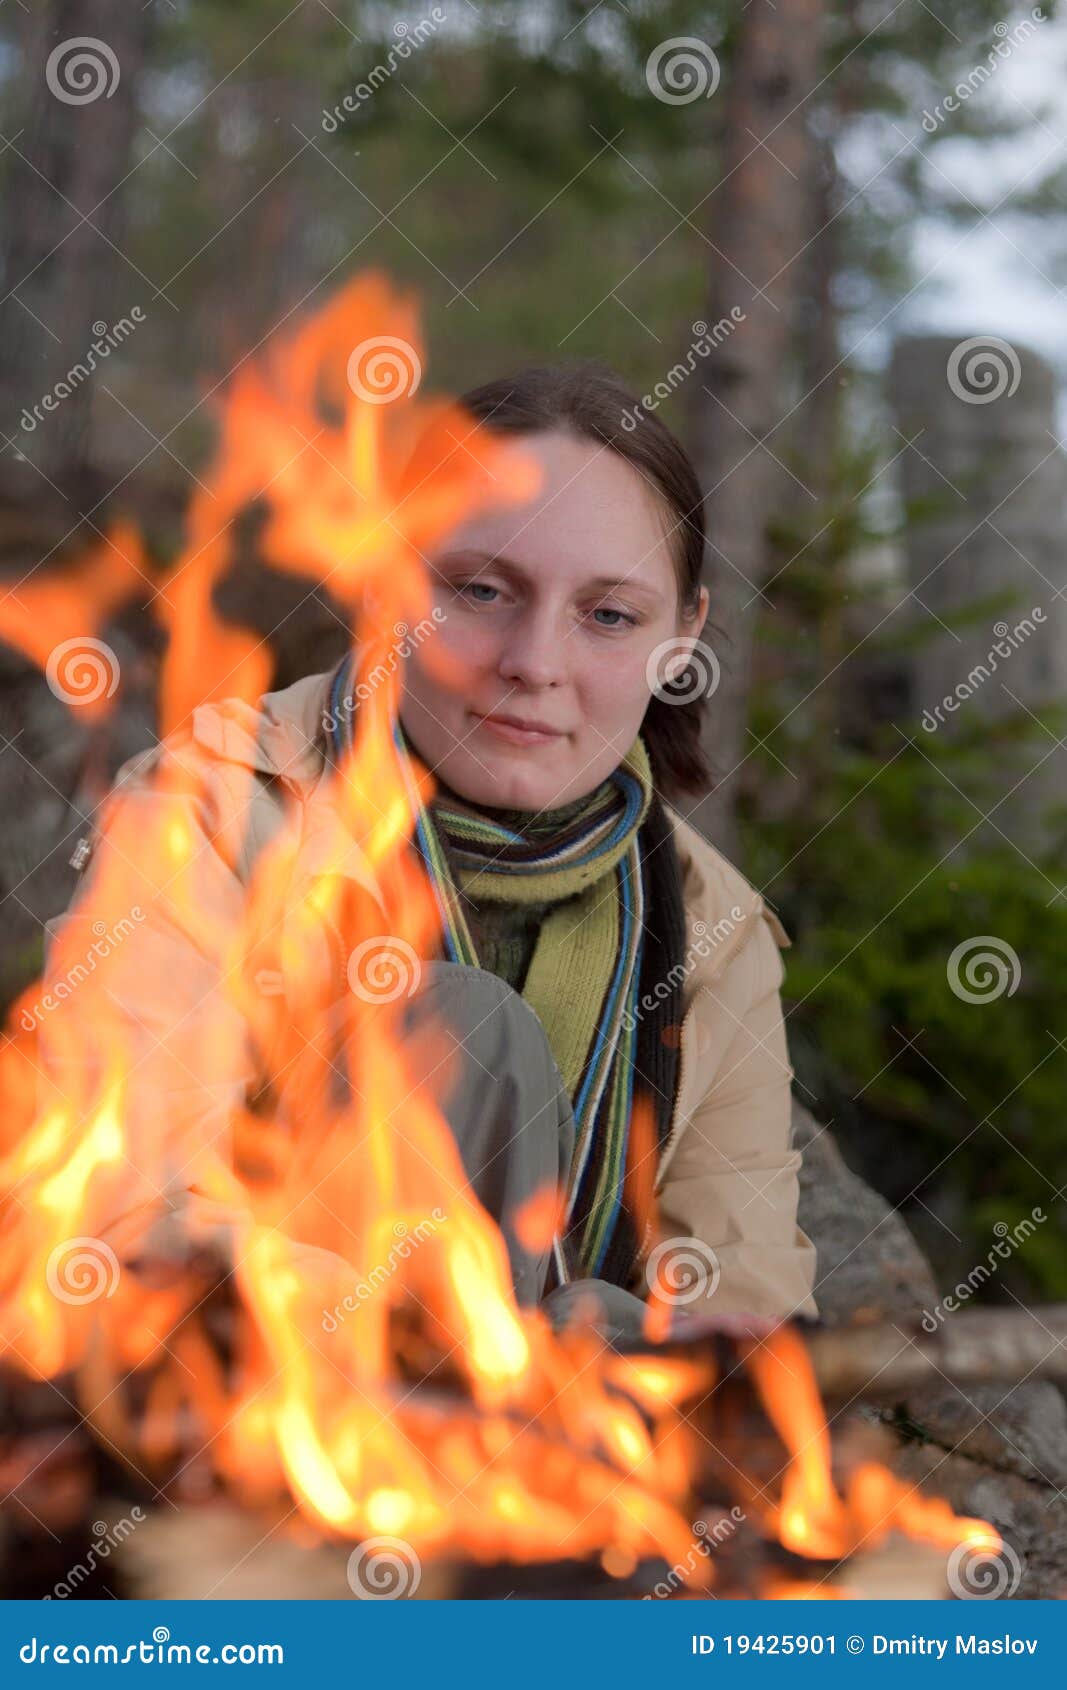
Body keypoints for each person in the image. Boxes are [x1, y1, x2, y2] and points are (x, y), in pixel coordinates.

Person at [40, 361, 818, 1345]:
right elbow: (125, 1196)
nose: (534, 662)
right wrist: (486, 1340)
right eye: (481, 590)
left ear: (682, 635)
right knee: (463, 1032)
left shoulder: (706, 925)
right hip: (256, 1403)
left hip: (577, 1453)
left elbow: (743, 1308)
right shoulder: (211, 811)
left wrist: (618, 1347)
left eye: (607, 615)